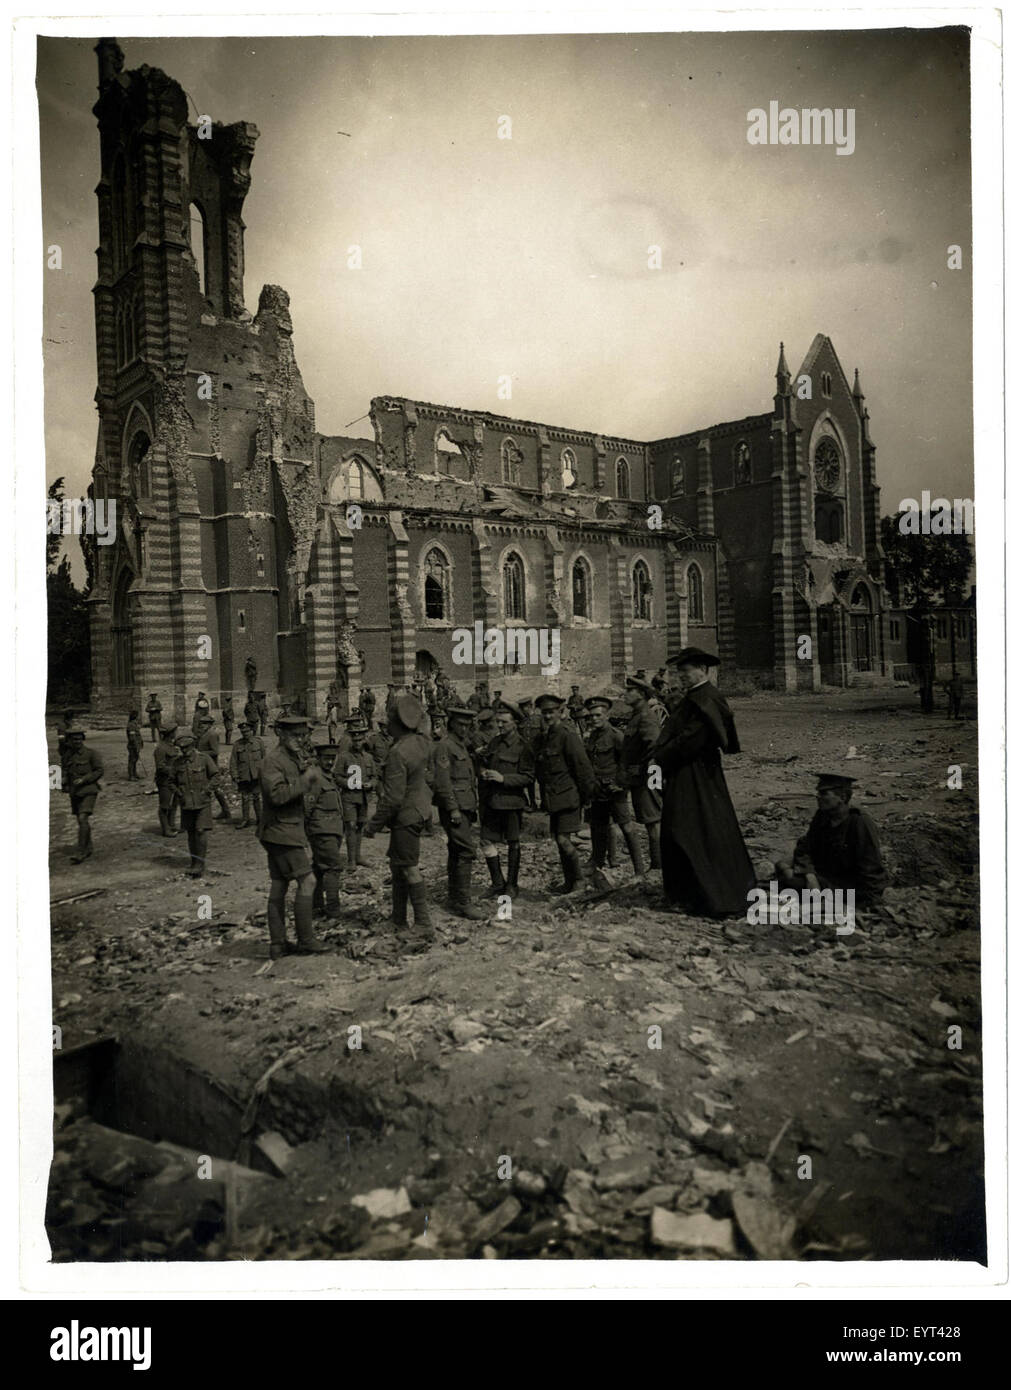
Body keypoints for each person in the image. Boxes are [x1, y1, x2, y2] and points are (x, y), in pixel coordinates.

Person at [654, 647, 755, 916]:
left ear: (702, 670)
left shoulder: (706, 698)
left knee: (692, 829)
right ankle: (689, 894)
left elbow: (691, 740)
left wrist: (660, 756)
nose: (681, 677)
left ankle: (712, 897)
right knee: (684, 829)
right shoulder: (696, 697)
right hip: (688, 772)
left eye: (686, 672)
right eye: (680, 672)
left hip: (697, 774)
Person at [364, 693, 437, 945]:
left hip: (405, 816)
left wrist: (373, 824)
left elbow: (393, 798)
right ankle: (398, 918)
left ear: (397, 723)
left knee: (408, 868)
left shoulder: (398, 752)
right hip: (420, 810)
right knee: (397, 866)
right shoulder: (423, 742)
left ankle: (423, 924)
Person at [258, 714, 329, 958]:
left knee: (279, 885)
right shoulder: (273, 761)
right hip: (282, 831)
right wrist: (304, 781)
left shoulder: (290, 757)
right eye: (295, 736)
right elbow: (277, 796)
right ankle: (306, 940)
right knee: (308, 882)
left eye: (303, 735)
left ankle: (278, 944)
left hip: (282, 830)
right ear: (281, 735)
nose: (300, 740)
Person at [774, 773, 887, 909]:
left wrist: (867, 901)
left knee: (791, 877)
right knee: (783, 864)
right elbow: (805, 847)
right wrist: (810, 875)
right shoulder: (822, 816)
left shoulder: (859, 822)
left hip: (849, 885)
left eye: (824, 793)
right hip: (825, 874)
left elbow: (871, 869)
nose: (818, 797)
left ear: (843, 797)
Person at [534, 693, 595, 893]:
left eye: (551, 712)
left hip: (569, 798)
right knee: (559, 841)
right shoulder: (546, 737)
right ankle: (569, 882)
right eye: (544, 713)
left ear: (560, 712)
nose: (548, 716)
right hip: (554, 800)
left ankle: (578, 880)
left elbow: (583, 769)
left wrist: (586, 798)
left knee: (563, 840)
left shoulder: (568, 736)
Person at [476, 700, 534, 900]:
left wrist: (503, 779)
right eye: (498, 722)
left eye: (504, 722)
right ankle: (497, 882)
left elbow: (529, 777)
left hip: (511, 801)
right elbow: (482, 762)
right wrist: (483, 772)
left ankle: (512, 884)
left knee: (513, 842)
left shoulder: (523, 747)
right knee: (485, 840)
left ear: (515, 723)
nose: (499, 726)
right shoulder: (494, 742)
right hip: (492, 800)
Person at [432, 707, 487, 920]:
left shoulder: (461, 746)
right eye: (460, 725)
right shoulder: (445, 746)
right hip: (455, 808)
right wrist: (453, 808)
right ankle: (464, 902)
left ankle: (454, 898)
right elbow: (443, 782)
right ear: (451, 724)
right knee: (466, 851)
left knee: (456, 851)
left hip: (465, 805)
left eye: (467, 725)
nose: (464, 729)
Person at [584, 695, 645, 879]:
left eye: (598, 715)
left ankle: (639, 870)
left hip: (614, 789)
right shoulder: (592, 736)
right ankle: (597, 862)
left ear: (607, 715)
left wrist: (622, 785)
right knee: (597, 826)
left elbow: (629, 763)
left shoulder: (617, 736)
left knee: (626, 827)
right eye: (591, 716)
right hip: (598, 790)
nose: (594, 719)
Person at [621, 676, 664, 872]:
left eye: (630, 691)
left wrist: (644, 770)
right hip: (640, 778)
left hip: (647, 777)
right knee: (648, 821)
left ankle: (658, 865)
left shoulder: (646, 717)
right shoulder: (636, 716)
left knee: (652, 820)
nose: (626, 693)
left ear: (641, 695)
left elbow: (654, 747)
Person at [305, 735, 345, 924]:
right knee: (332, 868)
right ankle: (333, 911)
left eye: (332, 758)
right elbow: (307, 808)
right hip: (322, 830)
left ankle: (316, 906)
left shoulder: (329, 777)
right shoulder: (316, 779)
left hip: (332, 829)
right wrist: (308, 831)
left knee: (320, 868)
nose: (330, 762)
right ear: (318, 759)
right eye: (326, 758)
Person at [171, 731, 220, 878]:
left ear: (192, 746)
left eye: (186, 748)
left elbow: (216, 776)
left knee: (200, 831)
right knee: (191, 833)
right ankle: (193, 862)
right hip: (186, 803)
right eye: (181, 749)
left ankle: (200, 864)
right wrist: (179, 793)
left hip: (202, 802)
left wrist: (207, 791)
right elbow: (171, 781)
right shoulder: (177, 763)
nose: (183, 751)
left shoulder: (204, 759)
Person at [334, 720, 376, 871]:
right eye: (355, 740)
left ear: (364, 739)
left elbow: (375, 777)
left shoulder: (368, 758)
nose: (357, 743)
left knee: (360, 826)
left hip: (364, 798)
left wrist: (371, 784)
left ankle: (358, 856)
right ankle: (351, 859)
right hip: (349, 798)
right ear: (351, 740)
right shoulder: (344, 757)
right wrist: (350, 784)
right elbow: (337, 777)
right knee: (350, 826)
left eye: (360, 740)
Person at [61, 725, 103, 863]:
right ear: (70, 741)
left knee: (82, 818)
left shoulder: (91, 753)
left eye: (79, 739)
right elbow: (65, 771)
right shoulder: (67, 755)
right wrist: (63, 782)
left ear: (83, 739)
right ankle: (88, 846)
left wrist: (84, 779)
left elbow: (99, 771)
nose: (77, 742)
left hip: (89, 790)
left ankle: (81, 851)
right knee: (81, 820)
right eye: (74, 740)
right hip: (75, 792)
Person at [196, 715, 233, 823]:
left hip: (211, 766)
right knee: (216, 790)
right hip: (205, 765)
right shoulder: (203, 734)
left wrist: (200, 753)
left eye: (204, 723)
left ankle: (225, 812)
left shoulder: (212, 735)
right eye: (201, 723)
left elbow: (215, 751)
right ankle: (226, 812)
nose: (201, 725)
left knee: (213, 789)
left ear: (209, 725)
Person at [229, 719, 264, 829]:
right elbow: (233, 761)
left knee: (256, 797)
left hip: (256, 775)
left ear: (252, 731)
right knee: (244, 798)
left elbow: (264, 759)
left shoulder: (258, 742)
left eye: (247, 731)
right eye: (243, 732)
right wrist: (234, 776)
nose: (246, 734)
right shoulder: (237, 744)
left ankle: (260, 819)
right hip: (243, 775)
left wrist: (264, 773)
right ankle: (245, 819)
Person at [153, 720, 181, 837]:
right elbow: (160, 767)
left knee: (174, 803)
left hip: (175, 780)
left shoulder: (173, 746)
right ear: (170, 733)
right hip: (164, 781)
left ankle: (171, 824)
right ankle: (166, 829)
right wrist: (174, 771)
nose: (176, 733)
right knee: (165, 806)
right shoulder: (161, 748)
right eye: (175, 731)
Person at [126, 710, 143, 780]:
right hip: (133, 746)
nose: (138, 717)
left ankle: (134, 773)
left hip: (136, 745)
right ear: (135, 716)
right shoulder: (131, 725)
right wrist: (136, 746)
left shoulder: (134, 724)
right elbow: (132, 738)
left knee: (135, 760)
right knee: (132, 760)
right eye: (137, 716)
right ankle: (131, 776)